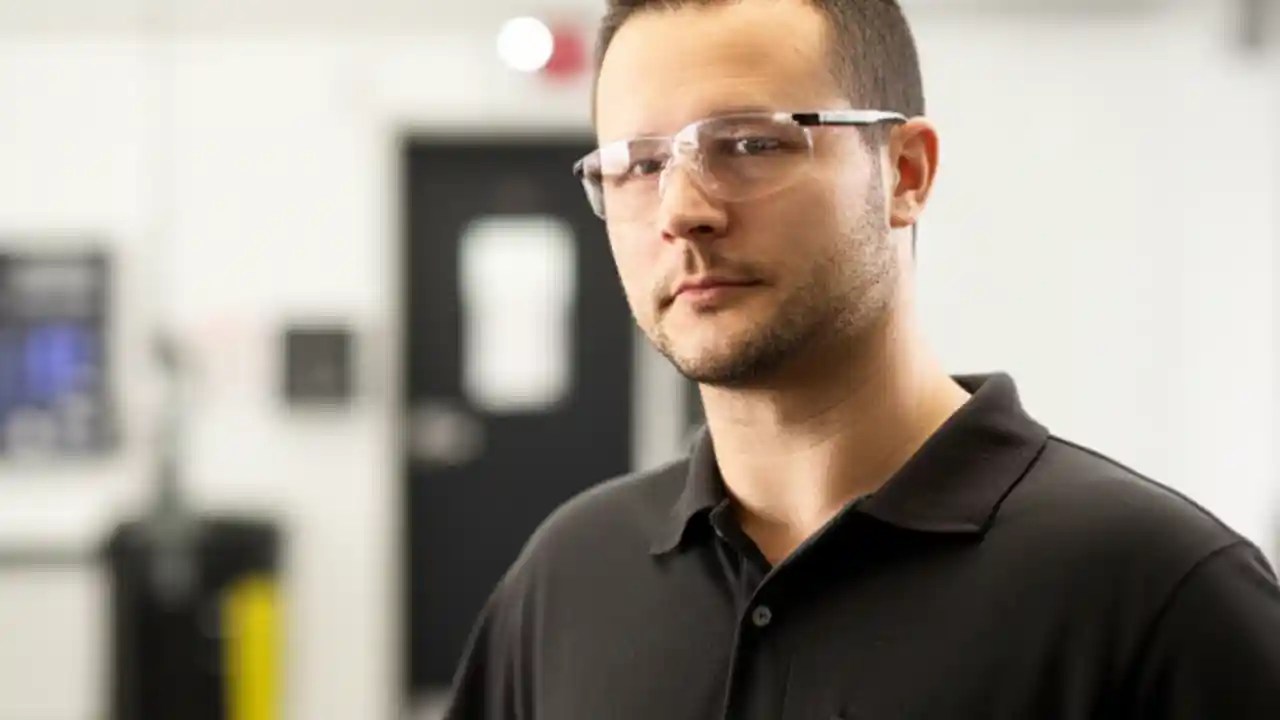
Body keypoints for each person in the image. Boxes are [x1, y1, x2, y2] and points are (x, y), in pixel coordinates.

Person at [445, 1, 1280, 717]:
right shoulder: (569, 579)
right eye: (640, 164)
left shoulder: (1156, 594)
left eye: (748, 144)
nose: (682, 210)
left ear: (906, 173)